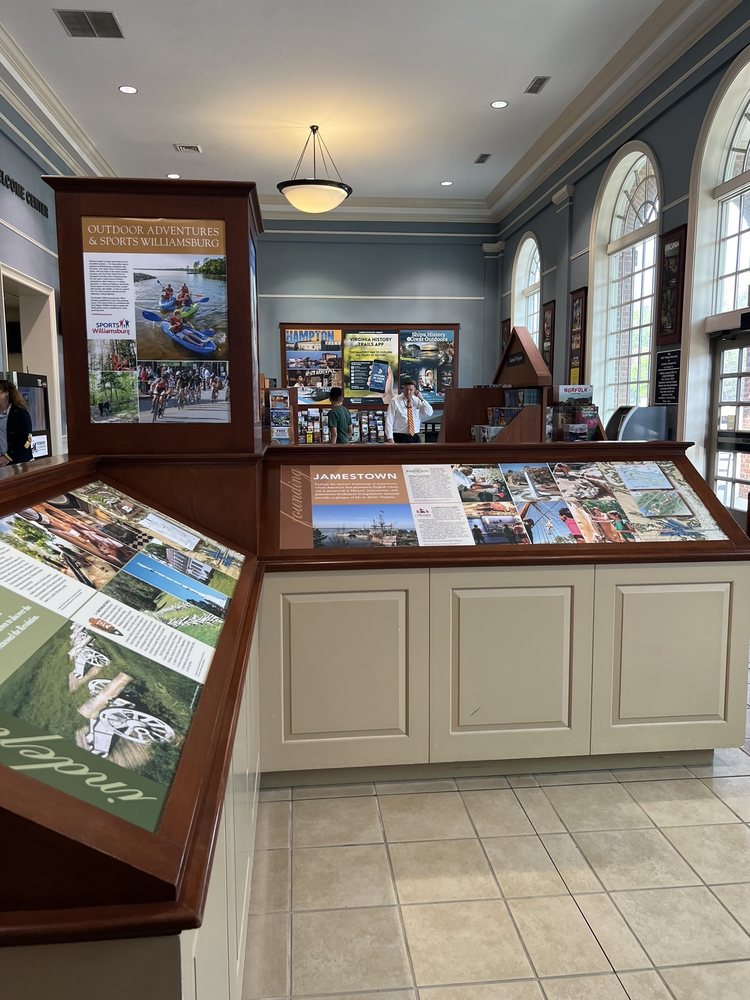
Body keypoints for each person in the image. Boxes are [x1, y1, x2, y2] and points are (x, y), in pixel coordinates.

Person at [385, 377, 433, 443]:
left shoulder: (417, 400)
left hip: (415, 436)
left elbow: (429, 413)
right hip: (399, 436)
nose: (408, 392)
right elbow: (389, 420)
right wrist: (390, 438)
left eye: (411, 390)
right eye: (406, 389)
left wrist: (422, 399)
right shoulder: (395, 401)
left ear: (415, 390)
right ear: (403, 389)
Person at [0, 379, 33, 466]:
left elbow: (27, 440)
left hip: (20, 463)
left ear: (6, 393)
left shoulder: (20, 413)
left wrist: (8, 457)